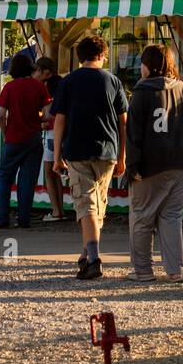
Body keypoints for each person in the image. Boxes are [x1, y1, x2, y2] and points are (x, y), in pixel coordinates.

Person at [52, 34, 128, 280]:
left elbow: (59, 120)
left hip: (76, 149)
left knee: (85, 205)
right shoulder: (113, 81)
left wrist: (56, 156)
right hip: (107, 151)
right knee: (98, 205)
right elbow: (123, 122)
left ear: (79, 57)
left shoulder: (68, 82)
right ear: (102, 55)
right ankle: (86, 253)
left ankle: (94, 258)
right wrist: (122, 156)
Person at [126, 43, 183, 281]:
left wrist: (132, 167)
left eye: (142, 63)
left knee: (142, 217)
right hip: (180, 162)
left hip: (150, 164)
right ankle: (175, 270)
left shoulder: (141, 92)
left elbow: (133, 133)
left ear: (148, 65)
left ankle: (143, 271)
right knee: (172, 217)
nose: (140, 68)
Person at [0, 53, 50, 230]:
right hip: (33, 139)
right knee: (27, 180)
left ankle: (2, 218)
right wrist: (35, 120)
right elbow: (47, 115)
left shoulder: (9, 87)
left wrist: (5, 132)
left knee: (4, 178)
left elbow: (1, 115)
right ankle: (23, 219)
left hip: (13, 138)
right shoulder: (39, 86)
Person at [34, 56, 64, 221]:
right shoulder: (62, 83)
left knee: (49, 172)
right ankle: (60, 209)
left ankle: (56, 211)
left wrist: (40, 121)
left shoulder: (48, 86)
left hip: (52, 134)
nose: (36, 74)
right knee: (56, 173)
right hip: (62, 133)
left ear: (45, 72)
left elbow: (50, 114)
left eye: (38, 71)